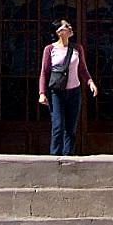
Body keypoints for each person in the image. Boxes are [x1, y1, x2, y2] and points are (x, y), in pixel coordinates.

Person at [38, 19, 97, 156]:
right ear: (59, 32)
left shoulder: (77, 49)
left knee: (70, 128)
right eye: (66, 26)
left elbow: (82, 69)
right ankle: (55, 157)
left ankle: (69, 156)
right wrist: (42, 92)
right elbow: (44, 72)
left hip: (74, 92)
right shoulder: (50, 49)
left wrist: (90, 82)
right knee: (58, 126)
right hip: (56, 93)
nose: (70, 27)